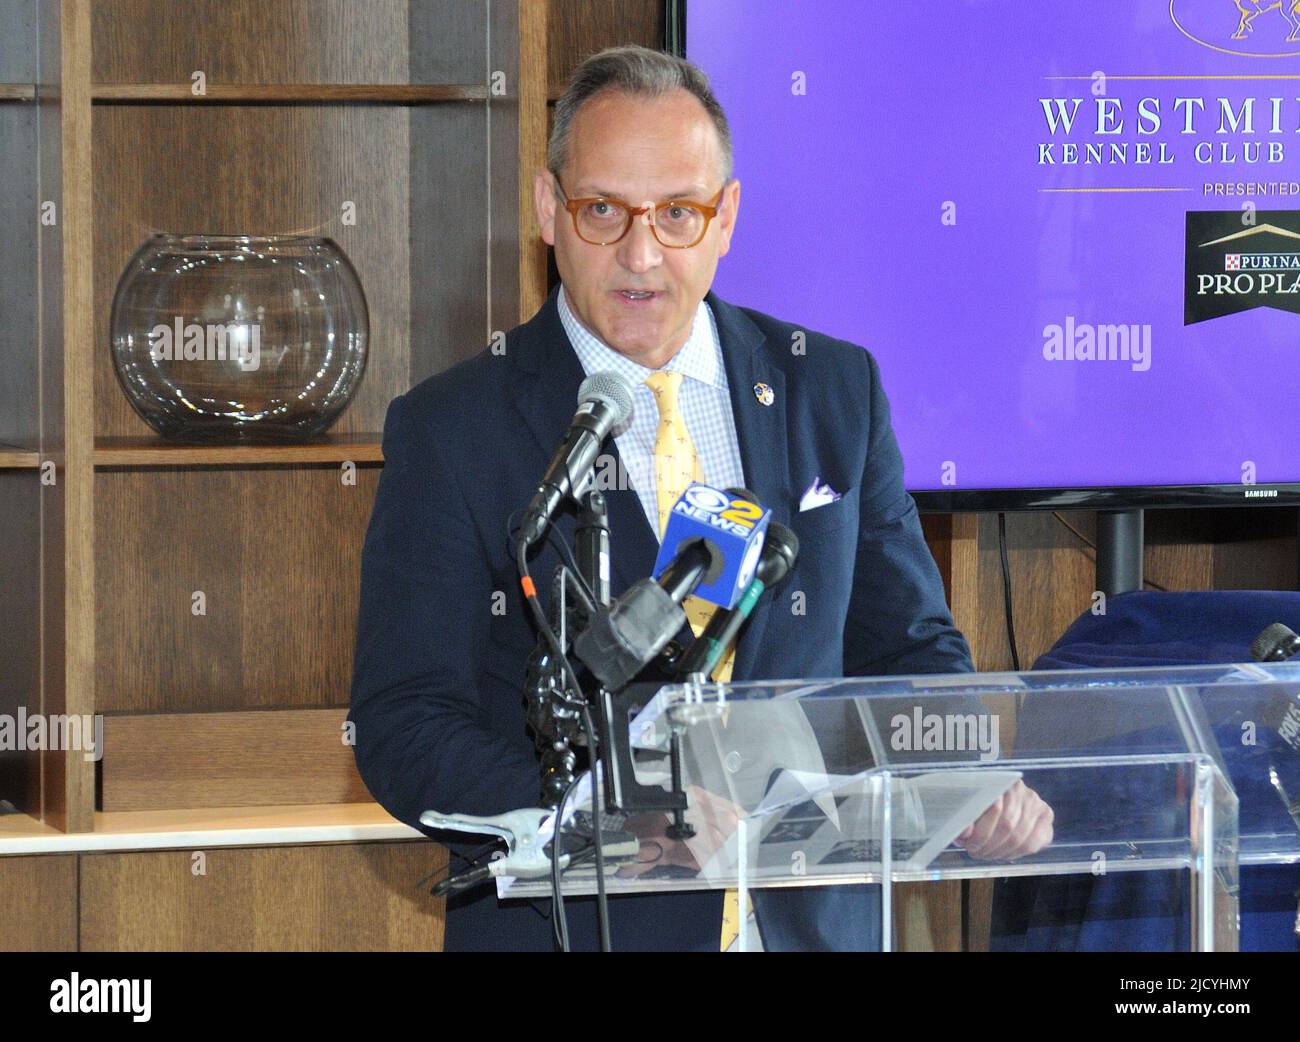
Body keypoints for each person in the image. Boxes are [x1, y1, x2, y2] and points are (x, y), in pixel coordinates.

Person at [348, 44, 1053, 952]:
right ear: (547, 211)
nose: (640, 255)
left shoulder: (831, 391)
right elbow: (404, 724)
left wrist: (971, 773)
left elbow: (906, 646)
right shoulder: (455, 428)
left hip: (812, 923)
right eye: (603, 210)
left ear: (726, 218)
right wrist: (607, 816)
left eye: (677, 213)